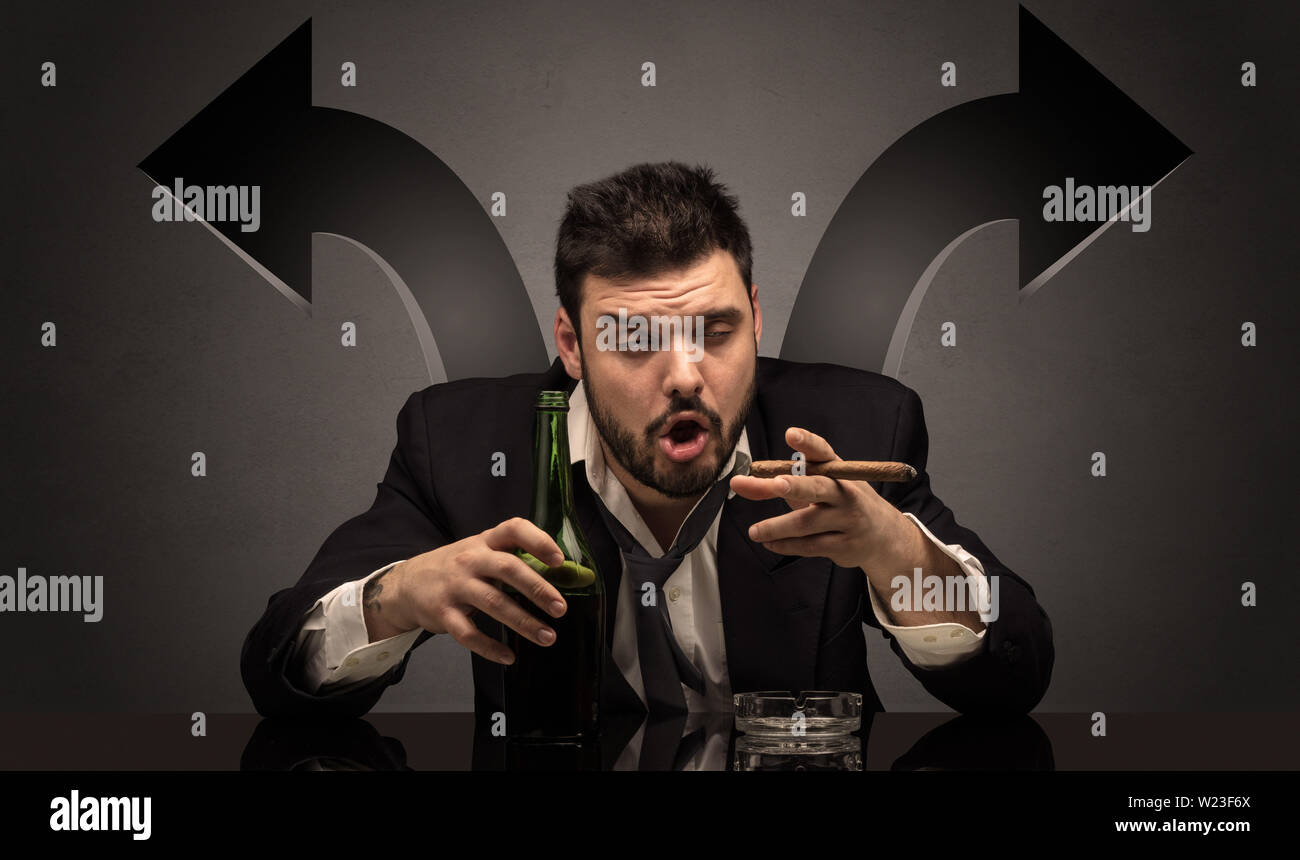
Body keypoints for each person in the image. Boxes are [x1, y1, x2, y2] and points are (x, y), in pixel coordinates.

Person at [240, 161, 1054, 736]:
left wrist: (896, 554)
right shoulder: (456, 443)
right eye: (635, 340)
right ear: (570, 341)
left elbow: (1013, 677)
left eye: (716, 331)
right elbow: (280, 671)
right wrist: (394, 598)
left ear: (757, 318)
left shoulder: (860, 424)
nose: (685, 377)